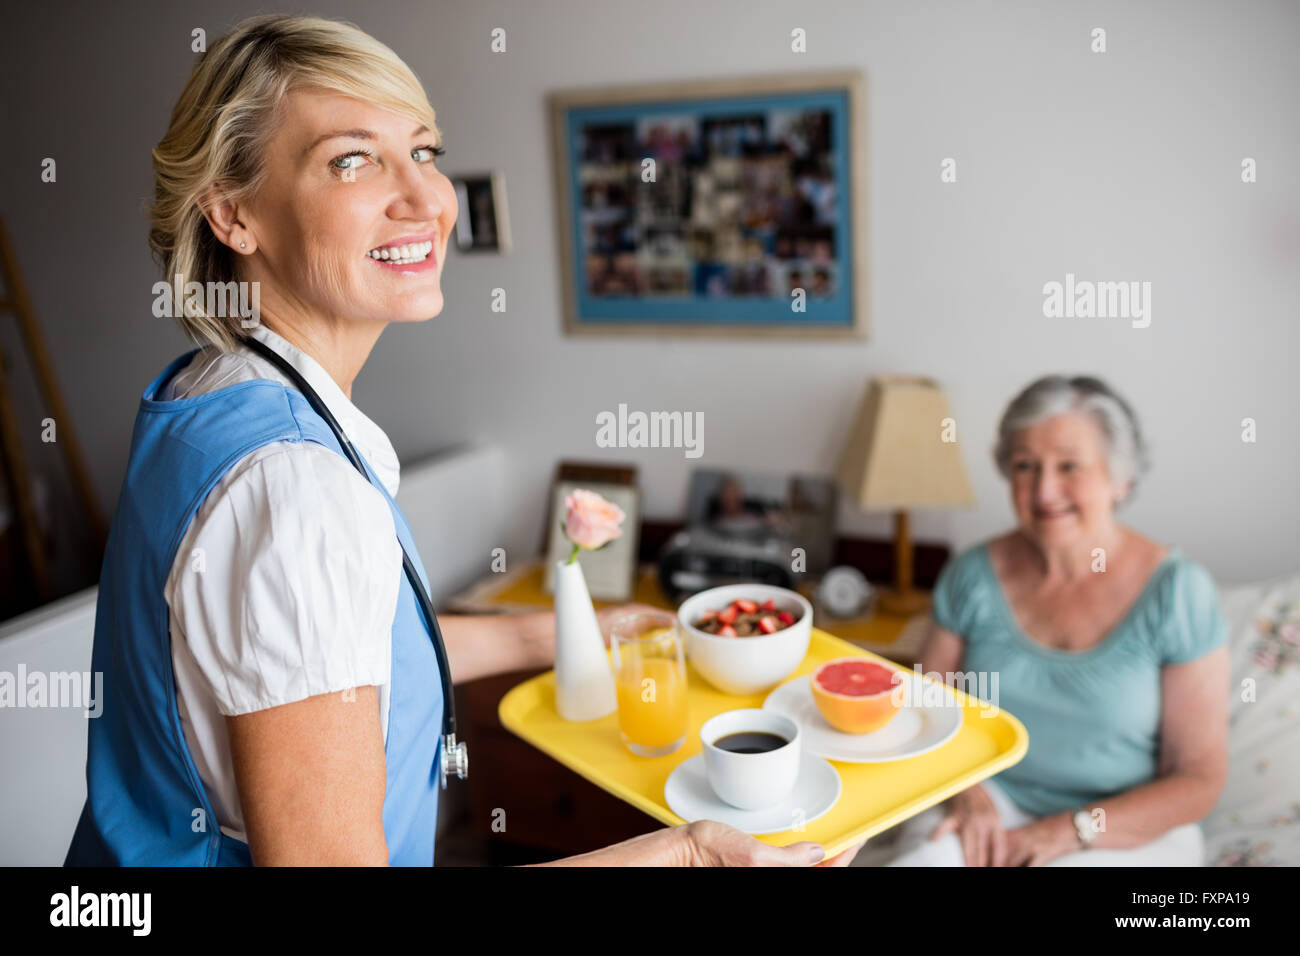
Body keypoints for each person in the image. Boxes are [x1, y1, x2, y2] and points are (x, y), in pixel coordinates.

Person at [64, 14, 862, 868]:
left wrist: (558, 631)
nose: (427, 200)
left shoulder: (205, 397)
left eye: (425, 151)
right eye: (351, 159)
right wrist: (689, 856)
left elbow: (346, 645)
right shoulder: (297, 489)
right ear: (233, 214)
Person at [881, 375, 1228, 866]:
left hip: (1122, 824)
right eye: (1025, 466)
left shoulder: (1178, 592)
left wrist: (1070, 830)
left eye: (1069, 466)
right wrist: (966, 790)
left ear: (1119, 478)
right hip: (986, 798)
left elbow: (1199, 779)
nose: (1045, 490)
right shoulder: (971, 575)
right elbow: (925, 708)